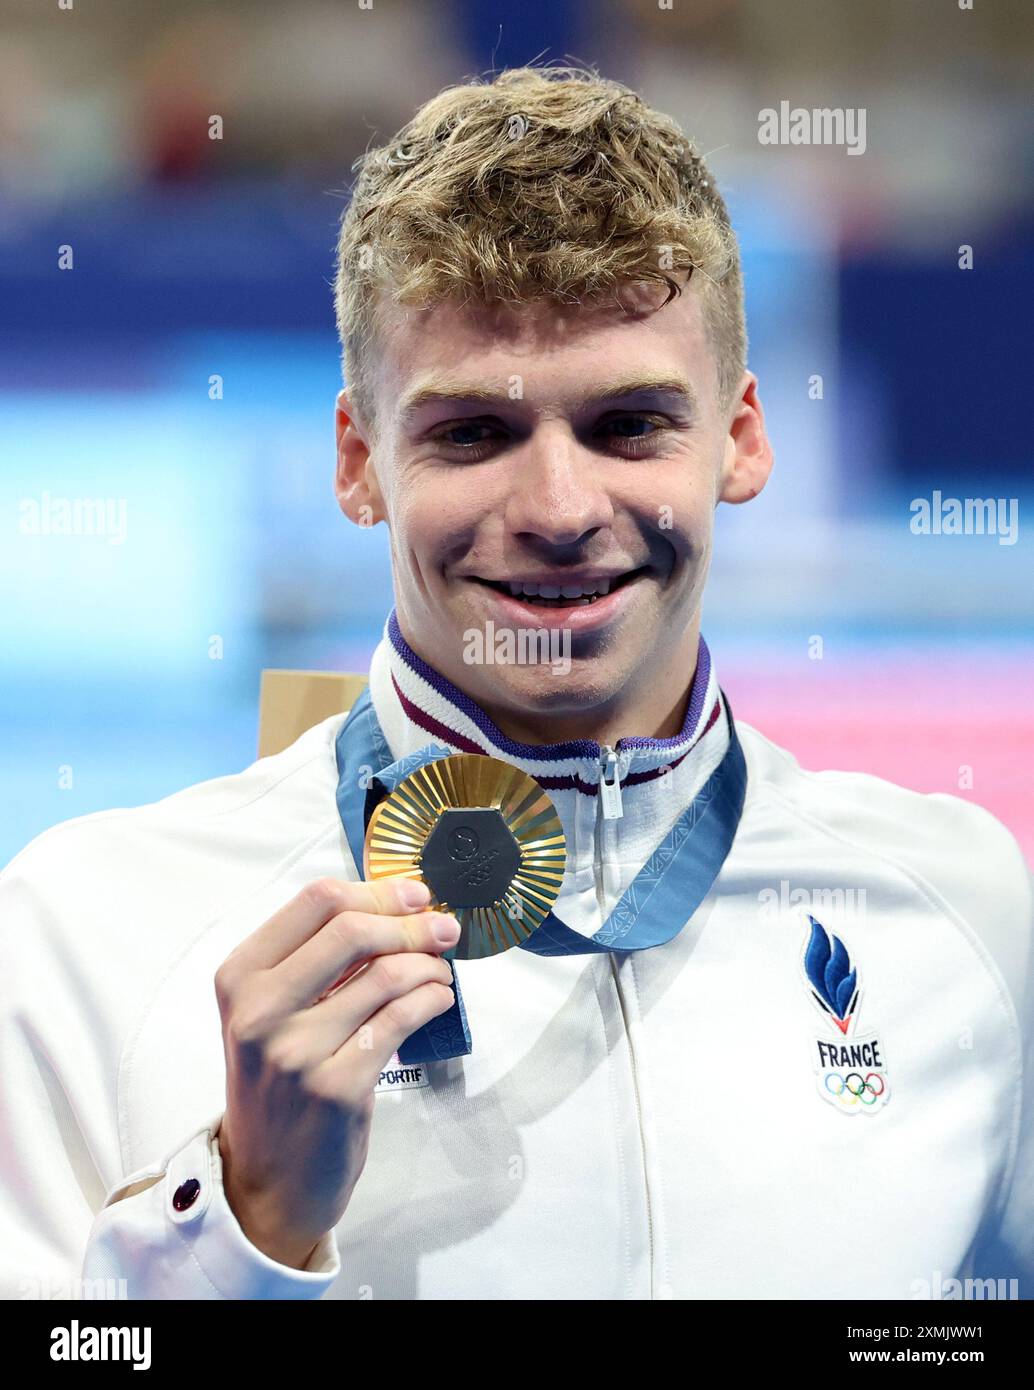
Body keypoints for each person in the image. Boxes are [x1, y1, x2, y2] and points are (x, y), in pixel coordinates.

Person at [2, 65, 1031, 1302]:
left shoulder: (965, 915)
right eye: (472, 434)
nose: (557, 510)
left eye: (628, 424)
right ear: (358, 461)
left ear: (740, 438)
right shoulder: (87, 934)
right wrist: (235, 1226)